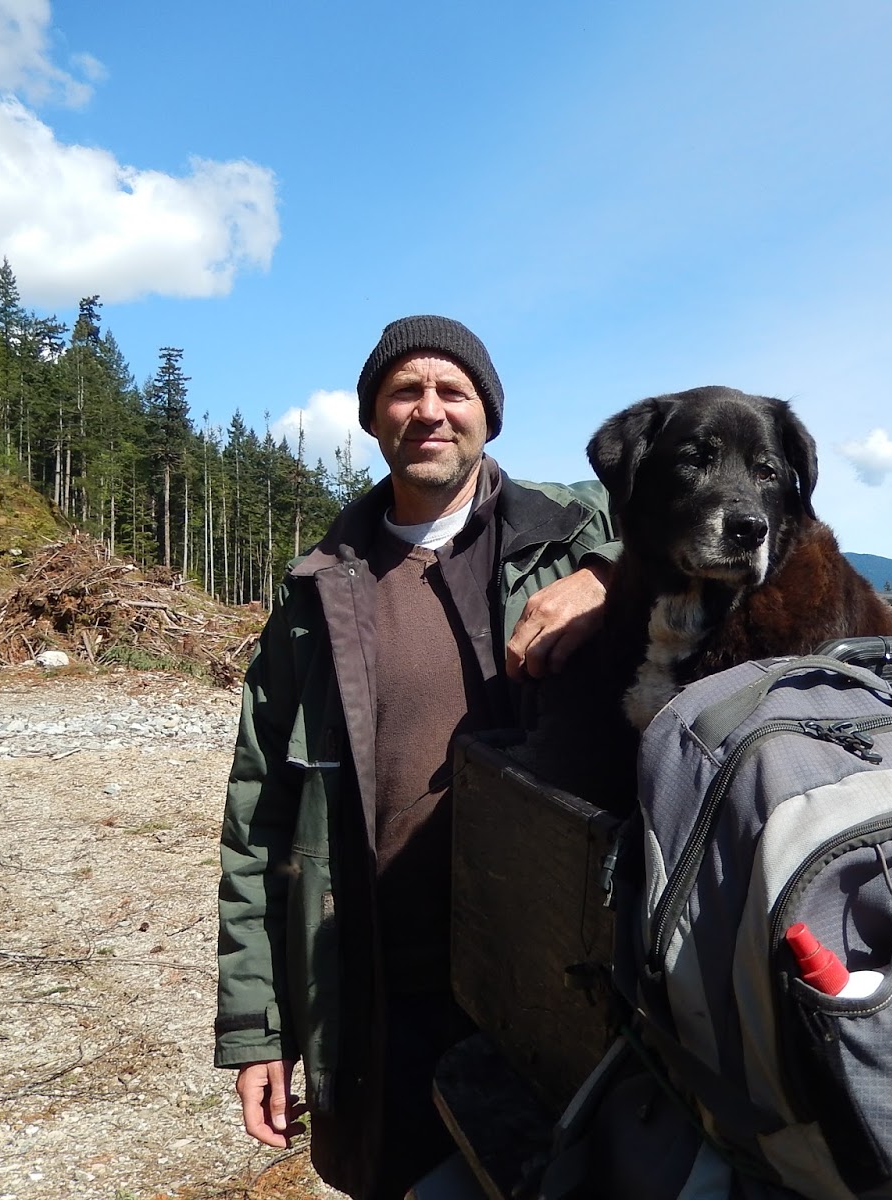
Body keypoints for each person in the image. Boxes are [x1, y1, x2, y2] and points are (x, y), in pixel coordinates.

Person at [214, 315, 617, 1198]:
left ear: (487, 416)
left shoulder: (584, 529)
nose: (429, 410)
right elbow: (258, 823)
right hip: (382, 988)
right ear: (373, 418)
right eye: (405, 391)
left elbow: (752, 538)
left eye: (452, 391)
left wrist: (610, 577)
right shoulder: (315, 593)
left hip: (566, 982)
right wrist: (260, 1030)